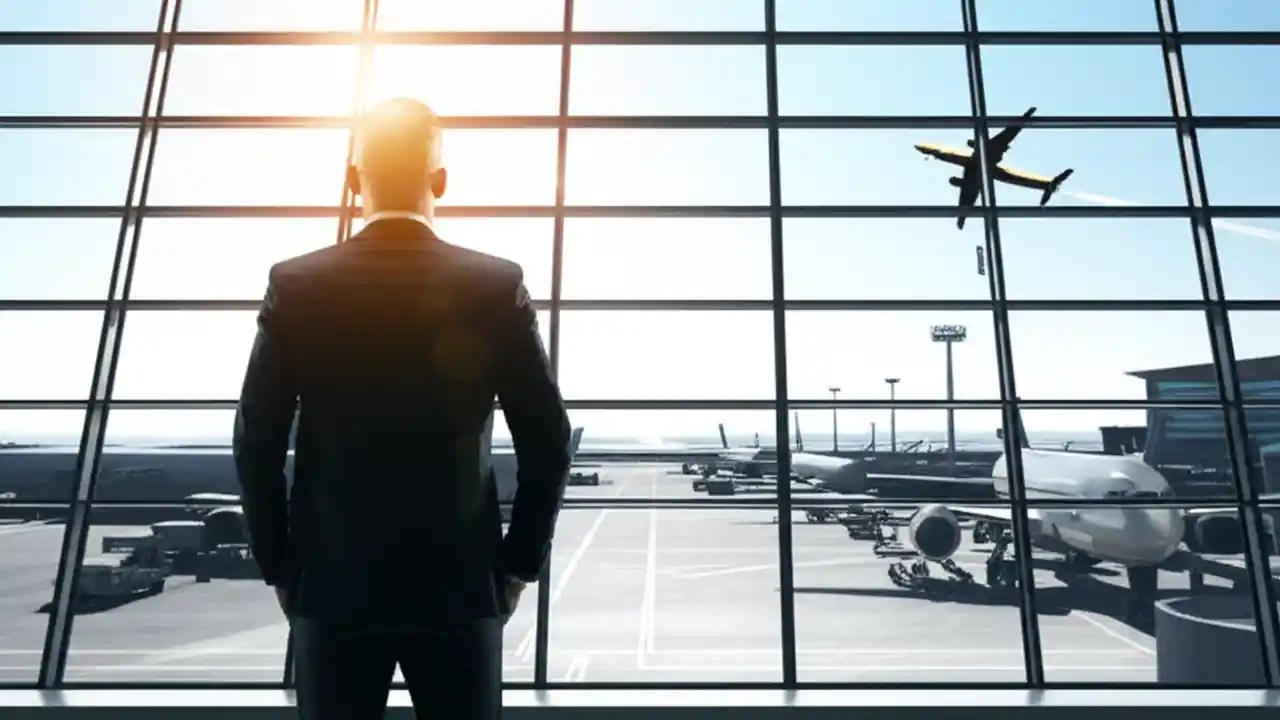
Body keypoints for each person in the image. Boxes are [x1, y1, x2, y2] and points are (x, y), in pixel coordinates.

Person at [232, 97, 572, 720]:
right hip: (458, 590)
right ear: (439, 181)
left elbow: (256, 443)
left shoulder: (298, 284)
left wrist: (282, 567)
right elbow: (547, 443)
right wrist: (517, 565)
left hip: (333, 590)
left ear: (355, 180)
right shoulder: (494, 285)